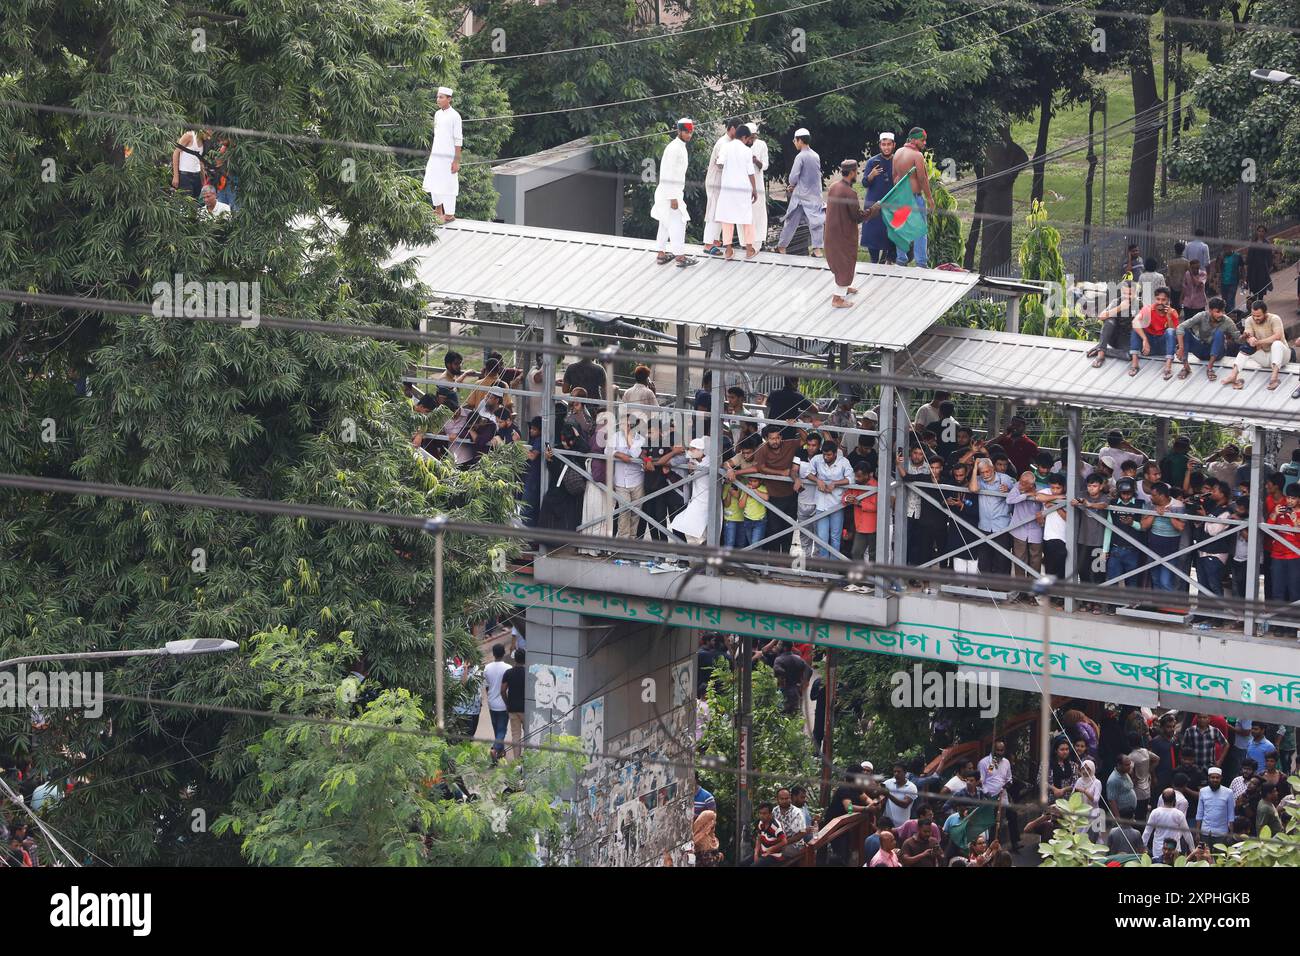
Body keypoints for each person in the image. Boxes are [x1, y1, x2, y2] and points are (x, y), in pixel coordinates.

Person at [825, 160, 878, 307]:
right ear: (853, 172)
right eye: (856, 172)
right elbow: (857, 217)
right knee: (845, 264)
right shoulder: (850, 193)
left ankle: (844, 288)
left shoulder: (834, 187)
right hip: (843, 236)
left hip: (831, 234)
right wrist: (874, 210)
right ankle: (838, 299)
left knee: (841, 264)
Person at [650, 118, 698, 268]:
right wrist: (672, 197)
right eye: (686, 132)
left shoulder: (680, 146)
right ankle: (680, 257)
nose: (689, 135)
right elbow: (667, 173)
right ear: (679, 131)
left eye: (690, 132)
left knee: (665, 223)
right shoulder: (674, 148)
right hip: (669, 193)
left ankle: (661, 254)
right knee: (679, 222)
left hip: (670, 192)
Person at [1220, 301, 1290, 392]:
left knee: (1276, 343)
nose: (1256, 318)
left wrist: (1258, 342)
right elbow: (1249, 336)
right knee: (1247, 346)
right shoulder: (1249, 320)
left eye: (1258, 316)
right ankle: (1233, 375)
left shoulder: (1274, 319)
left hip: (1281, 357)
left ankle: (1274, 378)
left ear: (1265, 313)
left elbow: (1277, 336)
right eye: (1254, 315)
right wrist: (1250, 340)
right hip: (1264, 359)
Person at [776, 128, 824, 255]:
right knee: (816, 222)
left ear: (800, 140)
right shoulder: (816, 155)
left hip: (800, 196)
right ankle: (817, 250)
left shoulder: (800, 156)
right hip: (814, 196)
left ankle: (781, 247)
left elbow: (793, 177)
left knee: (791, 222)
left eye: (795, 140)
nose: (794, 142)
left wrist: (791, 185)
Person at [890, 127, 933, 267]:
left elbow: (894, 176)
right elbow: (922, 178)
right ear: (914, 140)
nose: (924, 143)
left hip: (900, 197)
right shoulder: (917, 156)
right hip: (914, 198)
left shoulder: (897, 152)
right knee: (920, 230)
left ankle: (901, 259)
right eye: (922, 140)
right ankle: (921, 263)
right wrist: (930, 198)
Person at [717, 124, 759, 259]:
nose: (748, 142)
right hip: (743, 189)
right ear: (744, 137)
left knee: (727, 219)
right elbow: (750, 173)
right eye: (748, 139)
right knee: (747, 218)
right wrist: (754, 190)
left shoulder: (726, 147)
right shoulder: (747, 151)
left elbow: (719, 163)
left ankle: (728, 251)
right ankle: (749, 249)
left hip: (727, 189)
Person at [970, 455, 1016, 576]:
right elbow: (973, 489)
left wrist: (1008, 492)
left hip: (1001, 526)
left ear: (993, 468)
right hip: (984, 526)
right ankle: (985, 589)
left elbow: (1020, 492)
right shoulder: (978, 480)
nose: (985, 474)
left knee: (1002, 560)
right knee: (984, 559)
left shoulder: (1005, 479)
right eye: (982, 472)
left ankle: (1001, 589)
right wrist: (975, 469)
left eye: (987, 471)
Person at [421, 87, 462, 222]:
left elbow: (458, 140)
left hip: (449, 156)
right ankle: (438, 210)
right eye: (438, 97)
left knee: (448, 183)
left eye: (441, 97)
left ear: (449, 99)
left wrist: (456, 161)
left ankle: (449, 214)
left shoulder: (455, 116)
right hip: (436, 154)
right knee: (434, 179)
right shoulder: (437, 114)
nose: (438, 100)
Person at [807, 439, 854, 557]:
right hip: (821, 504)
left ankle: (833, 565)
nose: (826, 457)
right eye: (824, 454)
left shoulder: (844, 462)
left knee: (835, 537)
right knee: (822, 537)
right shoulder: (817, 459)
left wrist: (835, 483)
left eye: (829, 455)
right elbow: (808, 473)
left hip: (837, 504)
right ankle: (824, 567)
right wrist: (818, 481)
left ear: (835, 453)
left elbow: (850, 479)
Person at [1005, 470, 1047, 601]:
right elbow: (1009, 500)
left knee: (1035, 562)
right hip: (1019, 531)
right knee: (1019, 561)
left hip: (1035, 530)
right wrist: (1027, 495)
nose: (1020, 484)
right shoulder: (1017, 487)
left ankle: (1032, 594)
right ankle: (1020, 591)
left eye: (1024, 483)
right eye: (1020, 481)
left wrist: (1042, 513)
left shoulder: (1041, 490)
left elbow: (1046, 505)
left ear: (1031, 484)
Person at [701, 118, 739, 255]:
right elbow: (720, 163)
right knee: (713, 211)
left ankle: (715, 240)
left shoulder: (730, 143)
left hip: (721, 183)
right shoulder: (723, 143)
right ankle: (708, 244)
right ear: (732, 128)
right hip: (715, 181)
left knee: (720, 212)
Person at [1175, 297, 1237, 381]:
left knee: (1219, 333)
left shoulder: (1227, 321)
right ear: (1210, 310)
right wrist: (1181, 348)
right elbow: (1180, 327)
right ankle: (1185, 366)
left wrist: (1245, 337)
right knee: (1185, 331)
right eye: (1218, 312)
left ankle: (1210, 368)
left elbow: (1238, 338)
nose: (1221, 314)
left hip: (1218, 353)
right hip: (1201, 351)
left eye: (1222, 311)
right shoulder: (1202, 316)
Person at [1140, 483, 1185, 593]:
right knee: (1155, 580)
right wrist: (1155, 513)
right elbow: (1144, 526)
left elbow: (1180, 527)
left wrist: (1169, 515)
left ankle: (1167, 608)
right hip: (1153, 547)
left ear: (1162, 496)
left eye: (1153, 495)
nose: (1151, 497)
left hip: (1171, 549)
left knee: (1165, 581)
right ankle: (1158, 607)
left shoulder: (1178, 505)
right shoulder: (1150, 504)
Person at [860, 132, 897, 262]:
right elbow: (864, 183)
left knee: (889, 234)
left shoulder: (897, 161)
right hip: (874, 204)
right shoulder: (872, 162)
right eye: (883, 144)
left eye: (888, 145)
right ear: (880, 145)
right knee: (873, 234)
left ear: (893, 145)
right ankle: (874, 262)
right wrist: (872, 174)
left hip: (891, 204)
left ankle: (886, 261)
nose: (886, 147)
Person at [1128, 286, 1180, 378]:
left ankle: (1168, 367)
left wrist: (1168, 317)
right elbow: (1134, 321)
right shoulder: (1148, 309)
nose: (1160, 302)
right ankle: (1135, 364)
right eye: (1158, 299)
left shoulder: (1173, 312)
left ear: (1168, 300)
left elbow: (1174, 334)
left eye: (1163, 300)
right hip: (1148, 347)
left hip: (1164, 348)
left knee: (1170, 331)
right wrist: (1145, 340)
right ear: (1155, 299)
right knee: (1136, 327)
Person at [742, 124, 770, 249]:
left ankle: (758, 241)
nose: (752, 140)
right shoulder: (740, 145)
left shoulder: (761, 144)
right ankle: (744, 242)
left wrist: (756, 161)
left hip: (757, 183)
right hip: (743, 183)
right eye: (750, 137)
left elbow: (765, 165)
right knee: (744, 212)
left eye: (754, 137)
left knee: (758, 211)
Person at [1143, 788, 1195, 855]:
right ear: (1174, 800)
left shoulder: (1155, 812)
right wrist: (1192, 849)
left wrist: (1143, 847)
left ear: (1162, 799)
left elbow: (1147, 832)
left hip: (1158, 850)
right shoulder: (1179, 814)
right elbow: (1187, 833)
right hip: (1173, 850)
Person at [483, 643, 511, 760]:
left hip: (491, 702)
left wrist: (490, 696)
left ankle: (500, 751)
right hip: (504, 703)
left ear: (493, 654)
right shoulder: (508, 668)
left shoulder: (487, 668)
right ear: (504, 653)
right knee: (502, 729)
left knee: (497, 728)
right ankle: (495, 749)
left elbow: (487, 686)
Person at [1195, 767, 1234, 842]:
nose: (1215, 780)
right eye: (1213, 777)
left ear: (1221, 778)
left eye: (1217, 778)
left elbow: (1231, 815)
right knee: (1205, 853)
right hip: (1205, 831)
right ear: (1208, 778)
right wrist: (1197, 833)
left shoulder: (1228, 792)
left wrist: (1231, 833)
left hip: (1221, 832)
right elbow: (1199, 813)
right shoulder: (1203, 791)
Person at [171, 127, 210, 198]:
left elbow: (200, 162)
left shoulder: (203, 142)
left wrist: (204, 181)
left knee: (196, 203)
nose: (208, 138)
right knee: (186, 203)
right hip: (185, 175)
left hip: (197, 176)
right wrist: (176, 176)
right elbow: (176, 153)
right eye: (208, 135)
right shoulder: (189, 136)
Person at [503, 648, 526, 760]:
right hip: (526, 709)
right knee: (529, 734)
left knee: (515, 735)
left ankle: (517, 760)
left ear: (515, 659)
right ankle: (528, 758)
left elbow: (502, 690)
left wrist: (507, 703)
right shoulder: (528, 673)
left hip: (512, 708)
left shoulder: (508, 673)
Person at [882, 763, 918, 830]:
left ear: (905, 773)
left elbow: (905, 804)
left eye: (899, 772)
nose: (896, 774)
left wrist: (888, 795)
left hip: (902, 827)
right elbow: (878, 790)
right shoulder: (888, 783)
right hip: (887, 825)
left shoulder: (911, 787)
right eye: (894, 772)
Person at [1245, 225, 1274, 303]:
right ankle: (1255, 304)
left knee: (1261, 288)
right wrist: (1247, 264)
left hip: (1263, 269)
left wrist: (1269, 266)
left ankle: (1260, 304)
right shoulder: (1253, 242)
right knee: (1254, 287)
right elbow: (1249, 255)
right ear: (1257, 232)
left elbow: (1269, 256)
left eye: (1262, 231)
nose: (1260, 233)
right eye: (1259, 231)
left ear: (1265, 233)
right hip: (1253, 269)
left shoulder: (1266, 243)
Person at [1166, 241, 1190, 311]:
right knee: (1181, 301)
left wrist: (1168, 284)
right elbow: (1188, 274)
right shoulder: (1186, 262)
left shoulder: (1171, 262)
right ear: (1183, 250)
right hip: (1183, 284)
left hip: (1173, 284)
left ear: (1175, 250)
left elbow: (1168, 275)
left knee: (1173, 302)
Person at [1220, 246, 1243, 311]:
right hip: (1223, 282)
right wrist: (1220, 259)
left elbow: (1242, 267)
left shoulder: (1237, 256)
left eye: (1228, 248)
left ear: (1231, 248)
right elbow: (1217, 268)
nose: (1226, 250)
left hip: (1233, 282)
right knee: (1224, 301)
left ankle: (1232, 314)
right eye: (1225, 248)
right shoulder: (1222, 256)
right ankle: (1228, 314)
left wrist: (1243, 278)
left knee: (1230, 300)